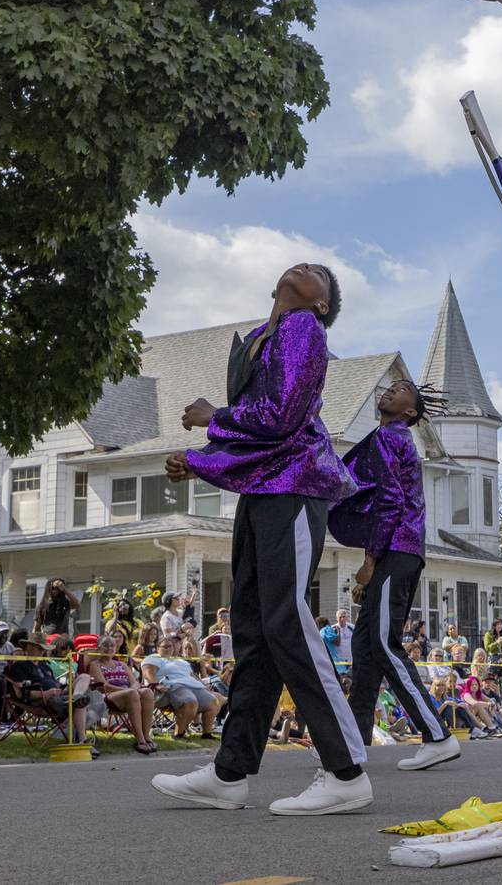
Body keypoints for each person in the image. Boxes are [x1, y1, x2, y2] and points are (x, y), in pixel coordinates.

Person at [151, 262, 371, 816]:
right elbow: (258, 435)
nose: (302, 267)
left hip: (295, 486)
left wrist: (212, 419)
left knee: (286, 619)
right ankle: (229, 774)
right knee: (252, 629)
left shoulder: (304, 329)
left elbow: (279, 421)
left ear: (320, 303)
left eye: (317, 274)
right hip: (263, 489)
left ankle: (346, 771)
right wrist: (202, 462)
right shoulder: (261, 337)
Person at [329, 377, 459, 772]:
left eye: (400, 390)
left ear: (411, 411)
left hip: (396, 549)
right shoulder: (388, 435)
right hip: (399, 551)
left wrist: (369, 562)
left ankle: (437, 735)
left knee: (384, 644)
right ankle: (352, 745)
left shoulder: (392, 436)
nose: (389, 390)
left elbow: (389, 501)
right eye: (389, 386)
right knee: (366, 650)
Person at [84, 632, 157, 752]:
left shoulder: (122, 664)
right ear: (98, 648)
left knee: (147, 692)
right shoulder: (95, 665)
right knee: (132, 693)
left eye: (112, 645)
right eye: (105, 645)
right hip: (108, 696)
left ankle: (147, 736)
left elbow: (135, 682)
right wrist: (127, 690)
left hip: (128, 694)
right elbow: (104, 686)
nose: (109, 648)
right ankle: (140, 740)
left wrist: (132, 689)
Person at [143, 634, 222, 739]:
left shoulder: (180, 661)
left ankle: (206, 733)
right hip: (172, 686)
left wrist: (204, 685)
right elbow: (148, 673)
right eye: (165, 646)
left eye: (170, 646)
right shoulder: (153, 658)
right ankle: (179, 733)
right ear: (158, 648)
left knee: (212, 702)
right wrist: (157, 685)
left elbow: (192, 675)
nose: (168, 649)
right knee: (190, 701)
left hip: (193, 686)